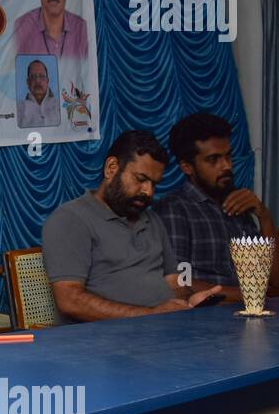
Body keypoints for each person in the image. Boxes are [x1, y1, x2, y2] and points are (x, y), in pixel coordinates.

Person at [42, 130, 221, 322]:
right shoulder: (70, 219)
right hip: (101, 341)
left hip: (163, 332)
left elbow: (175, 282)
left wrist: (188, 301)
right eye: (141, 179)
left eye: (154, 184)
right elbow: (70, 301)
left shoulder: (151, 219)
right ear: (111, 168)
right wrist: (151, 316)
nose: (148, 192)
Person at [155, 112, 278, 300]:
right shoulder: (175, 209)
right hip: (205, 319)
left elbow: (278, 280)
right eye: (213, 160)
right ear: (187, 167)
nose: (226, 166)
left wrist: (264, 216)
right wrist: (251, 296)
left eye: (228, 156)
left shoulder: (240, 206)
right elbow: (178, 282)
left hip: (251, 312)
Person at [16, 59, 60, 128]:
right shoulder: (18, 109)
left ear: (47, 81)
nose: (37, 80)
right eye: (33, 76)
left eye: (42, 76)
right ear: (28, 82)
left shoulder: (59, 106)